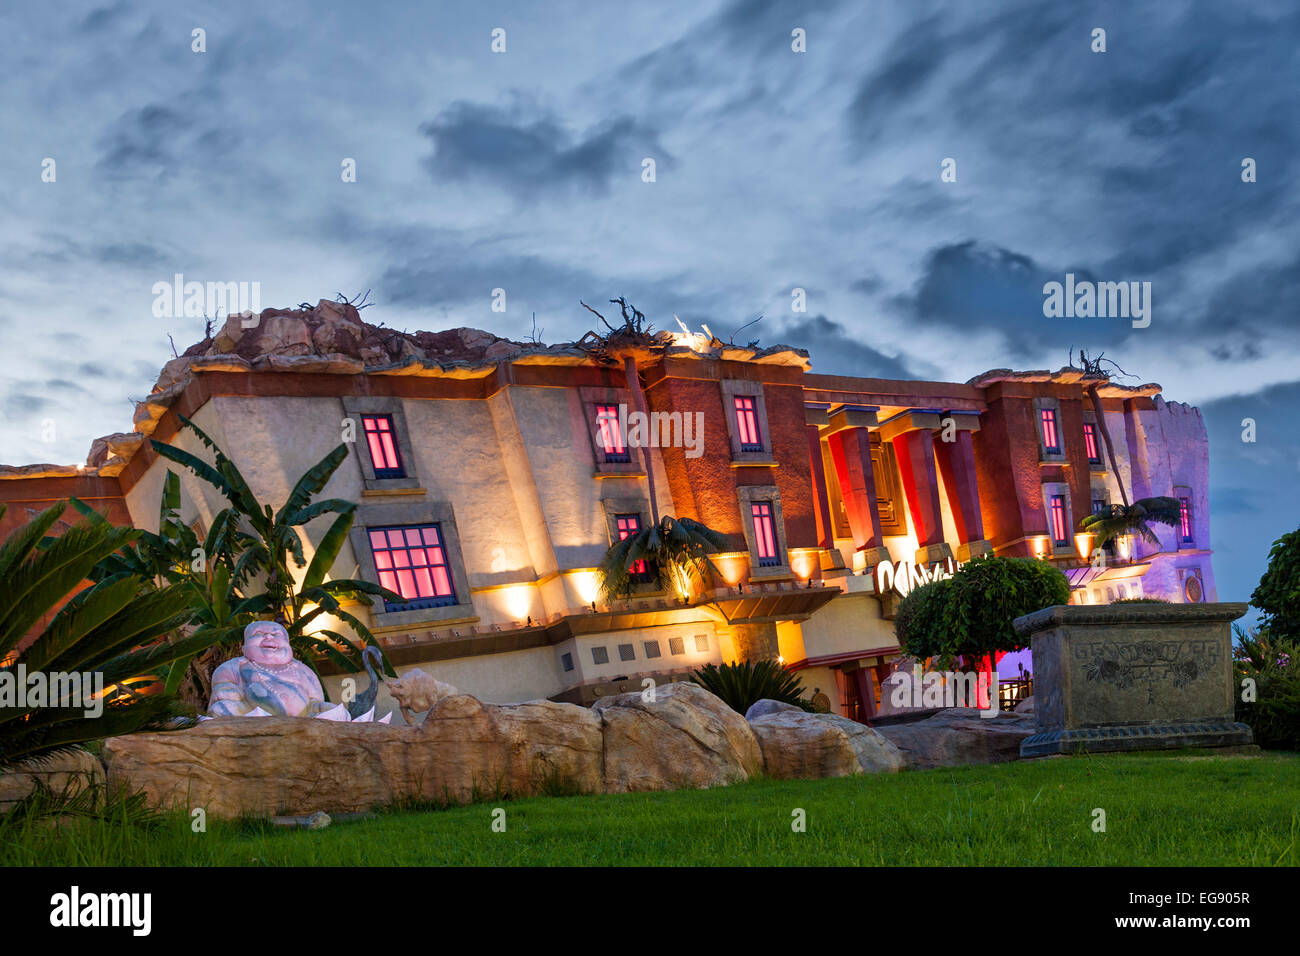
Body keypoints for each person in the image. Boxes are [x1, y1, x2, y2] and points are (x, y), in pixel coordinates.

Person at [208, 620, 326, 717]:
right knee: (221, 708)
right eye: (258, 634)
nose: (269, 637)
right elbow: (223, 682)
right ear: (244, 647)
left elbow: (316, 697)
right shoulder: (238, 665)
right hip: (252, 717)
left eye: (276, 635)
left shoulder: (301, 669)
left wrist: (318, 706)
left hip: (304, 718)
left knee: (328, 709)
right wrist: (228, 690)